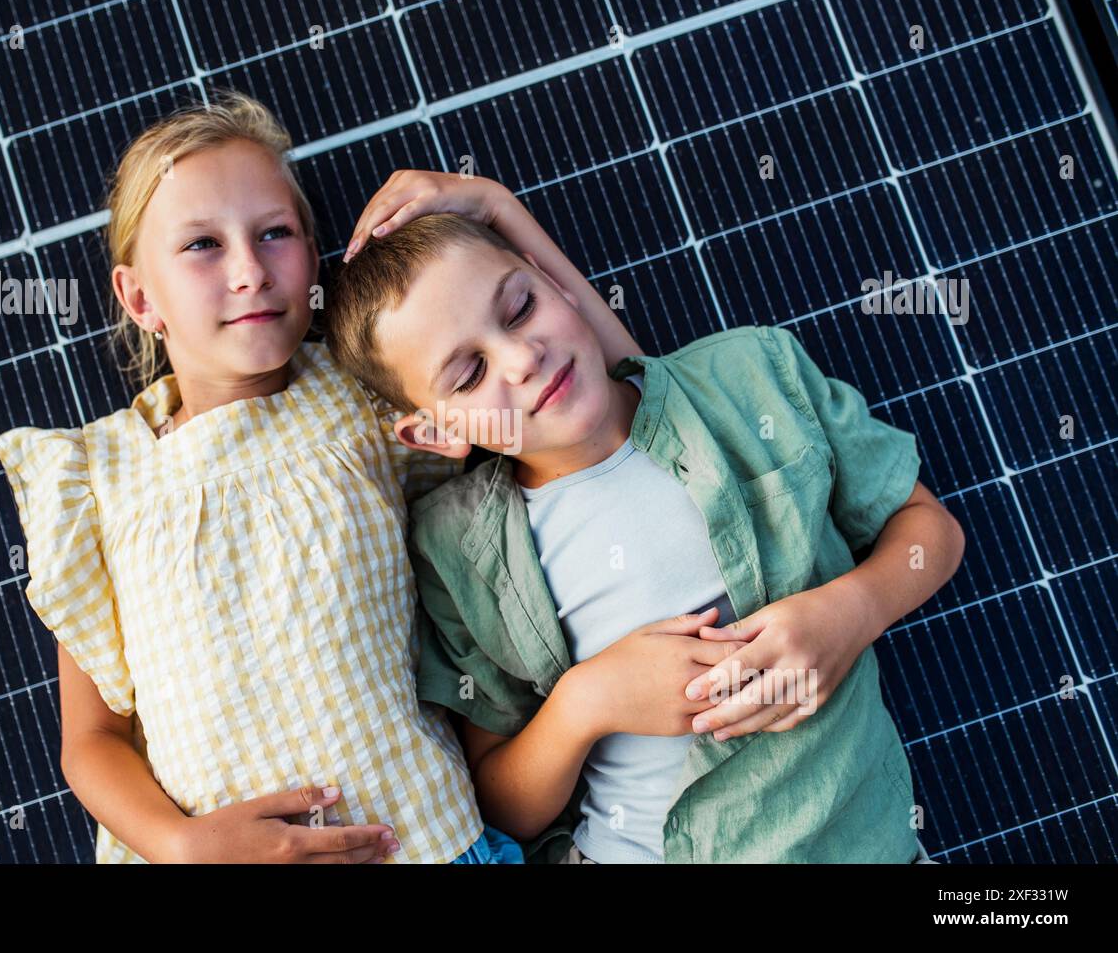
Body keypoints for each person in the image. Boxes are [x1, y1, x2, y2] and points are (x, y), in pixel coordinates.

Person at [0, 90, 638, 863]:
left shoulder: (370, 398)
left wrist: (496, 211)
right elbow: (91, 741)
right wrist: (183, 844)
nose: (249, 272)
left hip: (435, 844)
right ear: (139, 297)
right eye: (202, 245)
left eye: (275, 234)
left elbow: (620, 396)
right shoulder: (92, 479)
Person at [325, 213, 966, 863]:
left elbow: (930, 531)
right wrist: (586, 702)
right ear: (435, 434)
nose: (523, 358)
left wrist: (848, 613)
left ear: (555, 282)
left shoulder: (744, 379)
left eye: (521, 307)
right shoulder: (462, 548)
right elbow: (501, 805)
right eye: (468, 376)